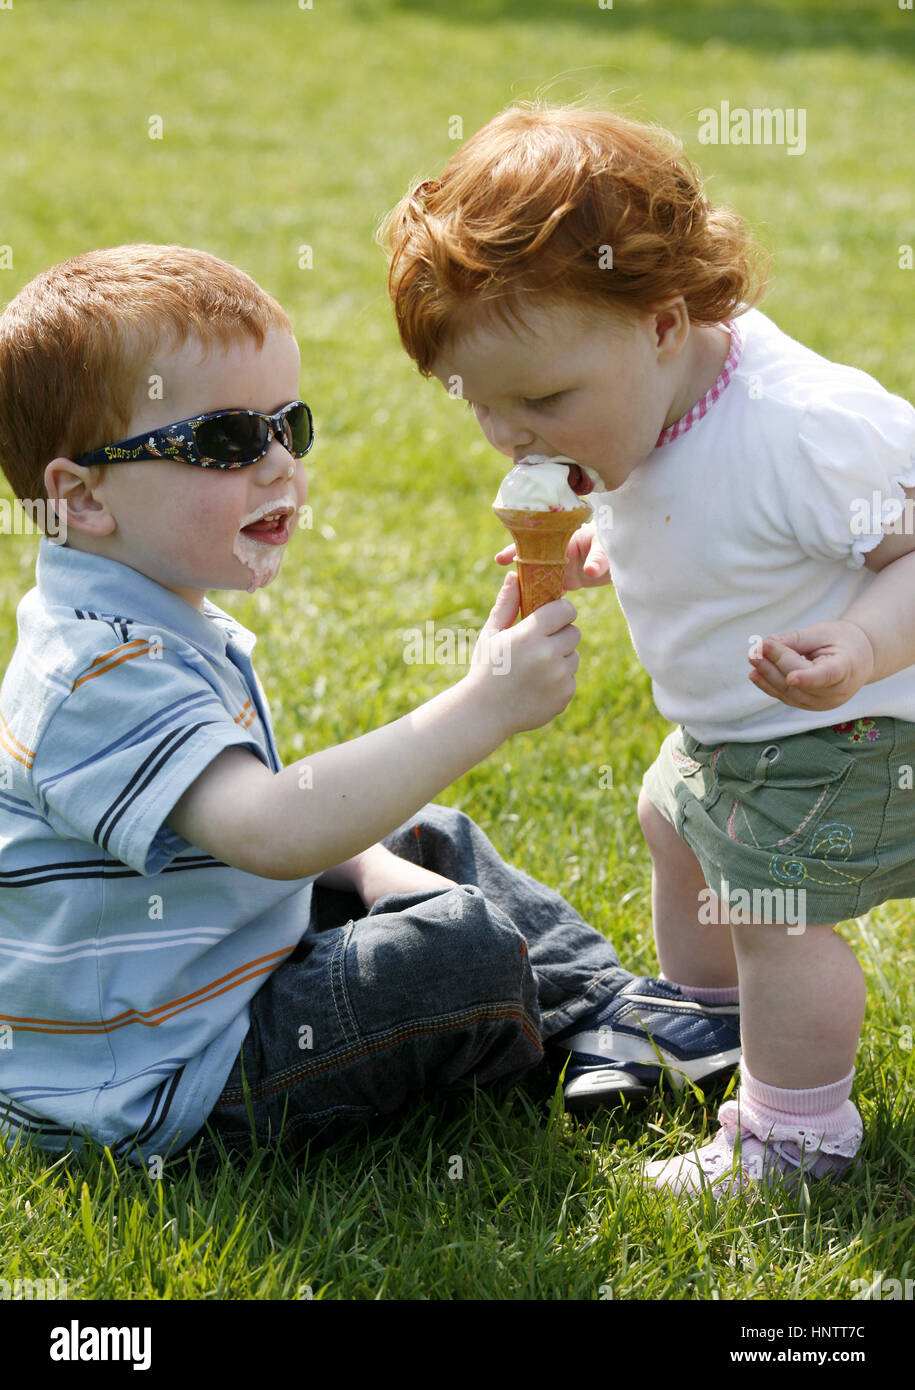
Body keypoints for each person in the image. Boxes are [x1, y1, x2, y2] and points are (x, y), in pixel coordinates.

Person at [0, 243, 740, 1170]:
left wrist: (372, 868)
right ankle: (567, 1021)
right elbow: (268, 832)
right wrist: (480, 708)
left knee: (426, 835)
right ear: (82, 497)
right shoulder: (94, 670)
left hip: (222, 971)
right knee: (455, 951)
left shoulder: (143, 617)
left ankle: (606, 1009)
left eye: (288, 426)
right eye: (226, 442)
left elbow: (260, 822)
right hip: (171, 1083)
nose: (277, 467)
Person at [381, 103, 915, 1197]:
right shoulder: (648, 407)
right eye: (481, 406)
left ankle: (793, 1139)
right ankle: (709, 1023)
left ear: (665, 322)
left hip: (858, 722)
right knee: (672, 819)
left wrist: (863, 641)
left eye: (541, 399)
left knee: (774, 912)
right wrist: (601, 546)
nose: (510, 434)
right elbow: (694, 510)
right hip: (749, 727)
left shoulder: (800, 429)